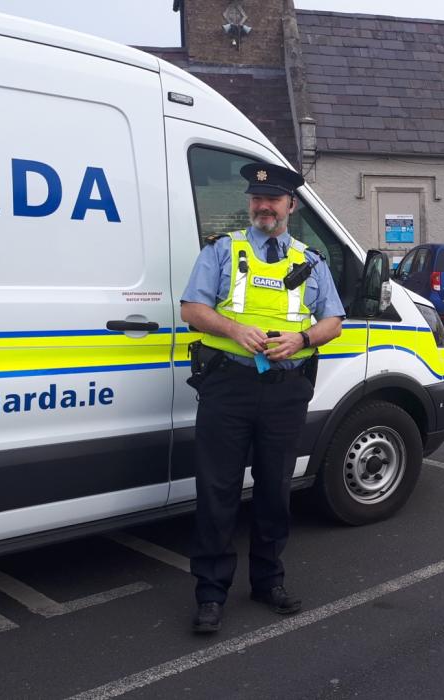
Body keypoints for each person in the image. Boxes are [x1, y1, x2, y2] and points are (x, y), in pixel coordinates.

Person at [180, 161, 344, 633]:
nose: (263, 206)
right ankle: (210, 593)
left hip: (285, 391)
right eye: (257, 198)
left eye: (273, 199)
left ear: (291, 205)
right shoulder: (221, 250)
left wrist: (303, 339)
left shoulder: (311, 261)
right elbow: (192, 309)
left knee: (275, 489)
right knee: (218, 492)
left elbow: (333, 321)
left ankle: (268, 581)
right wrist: (234, 329)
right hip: (227, 385)